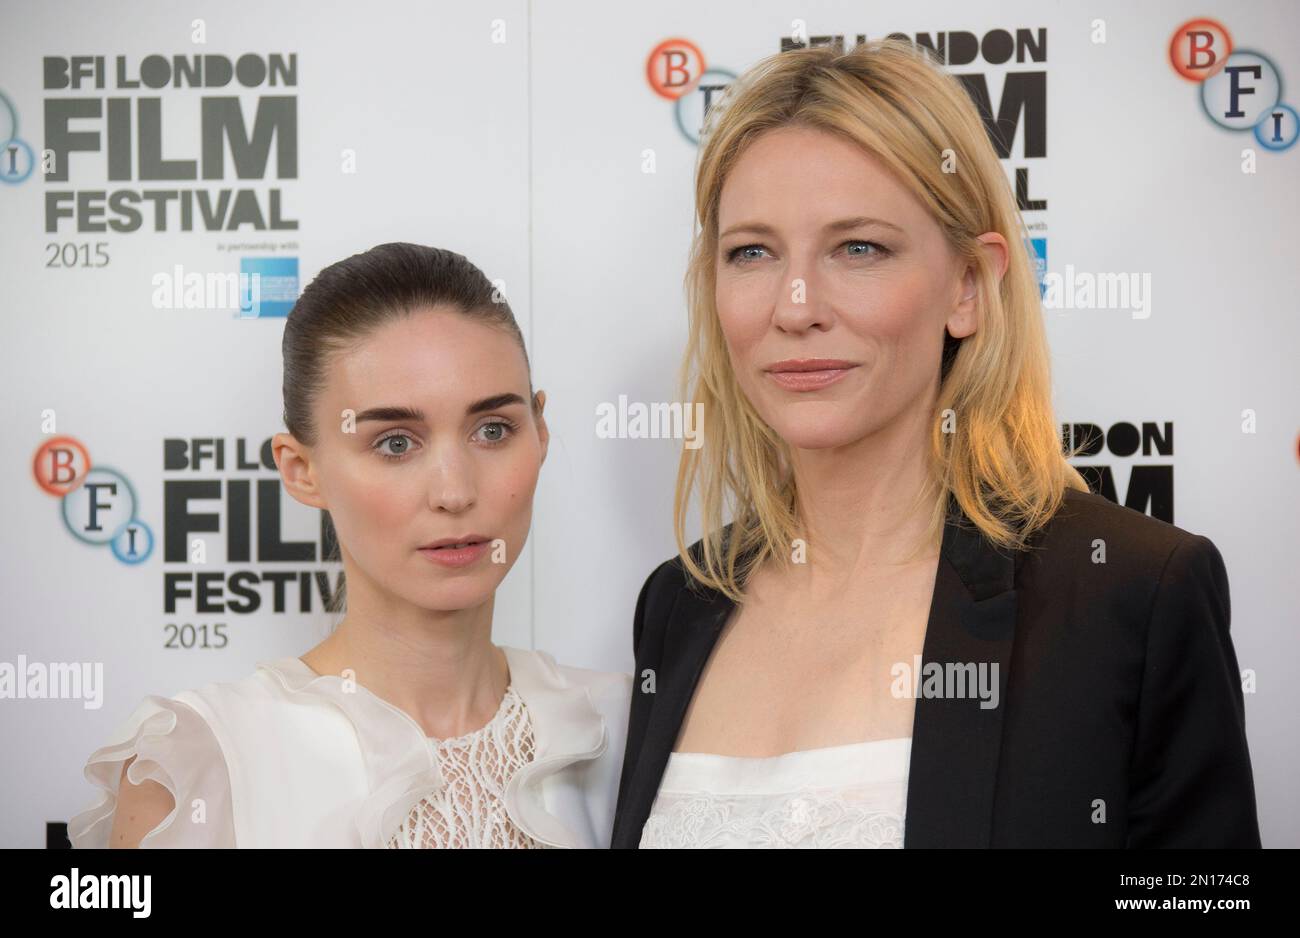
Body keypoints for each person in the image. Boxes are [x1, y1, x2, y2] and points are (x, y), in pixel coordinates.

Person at [611, 39, 1260, 848]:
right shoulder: (680, 603)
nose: (796, 305)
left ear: (967, 286)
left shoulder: (1130, 593)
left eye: (859, 248)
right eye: (753, 252)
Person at [68, 242, 632, 848]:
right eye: (395, 443)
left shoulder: (627, 727)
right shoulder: (200, 763)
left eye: (493, 430)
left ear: (540, 432)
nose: (455, 491)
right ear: (301, 470)